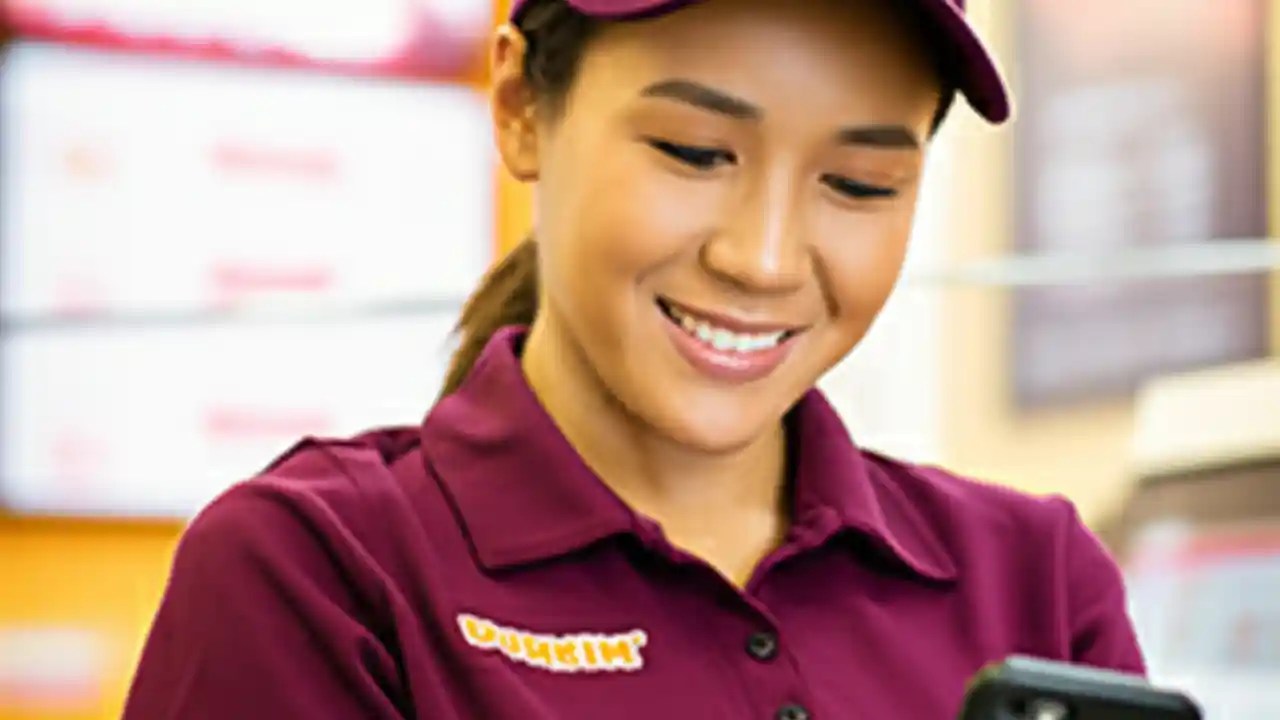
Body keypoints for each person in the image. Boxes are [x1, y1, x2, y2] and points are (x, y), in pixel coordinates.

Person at [123, 0, 1145, 718]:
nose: (761, 257)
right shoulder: (320, 577)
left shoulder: (1036, 584)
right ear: (523, 106)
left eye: (859, 183)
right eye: (695, 154)